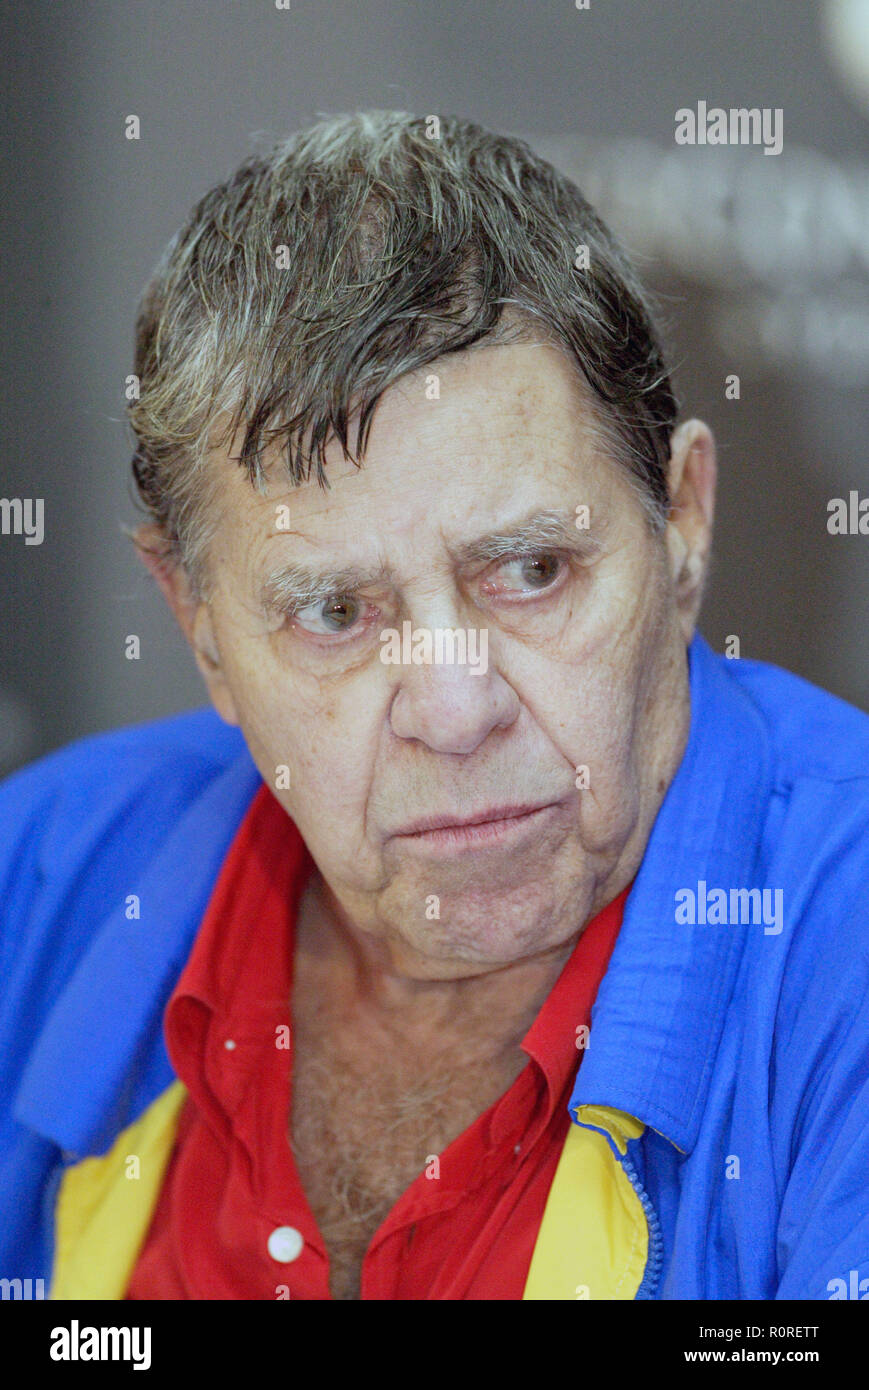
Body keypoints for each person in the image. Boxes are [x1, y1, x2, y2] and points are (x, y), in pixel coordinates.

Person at [2, 111, 868, 1302]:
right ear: (199, 623)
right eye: (334, 615)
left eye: (528, 572)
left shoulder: (844, 931)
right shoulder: (36, 878)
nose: (454, 711)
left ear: (681, 526)